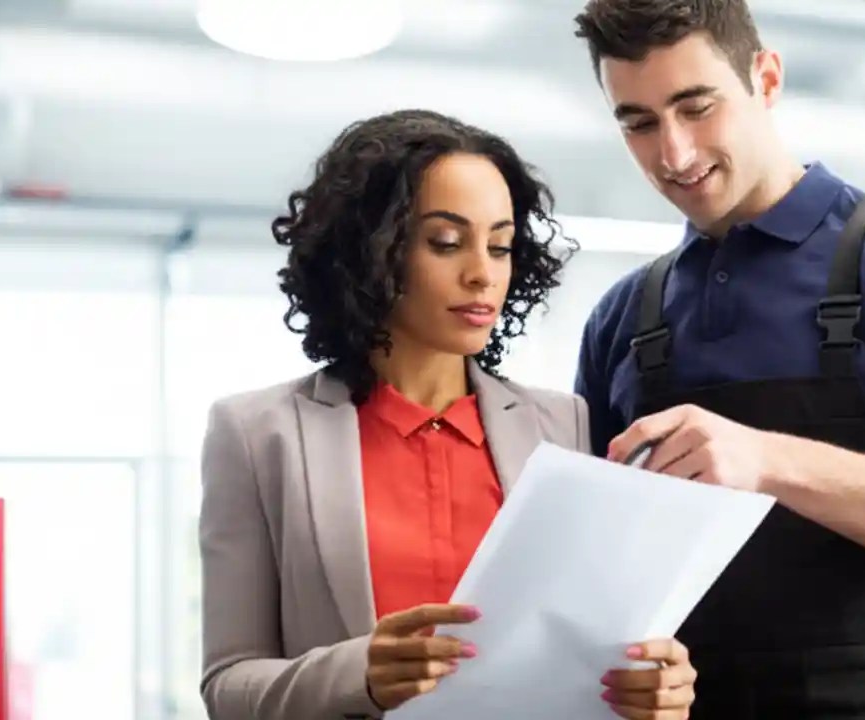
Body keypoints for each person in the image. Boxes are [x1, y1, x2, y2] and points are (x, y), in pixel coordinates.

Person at [572, 1, 865, 717]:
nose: (675, 154)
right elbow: (596, 571)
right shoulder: (622, 320)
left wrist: (764, 461)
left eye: (697, 107)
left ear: (766, 77)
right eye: (638, 122)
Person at [198, 109, 698, 720]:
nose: (482, 273)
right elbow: (227, 685)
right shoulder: (256, 435)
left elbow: (592, 640)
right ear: (371, 251)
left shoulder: (562, 423)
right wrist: (360, 672)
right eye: (446, 242)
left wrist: (653, 680)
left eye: (500, 246)